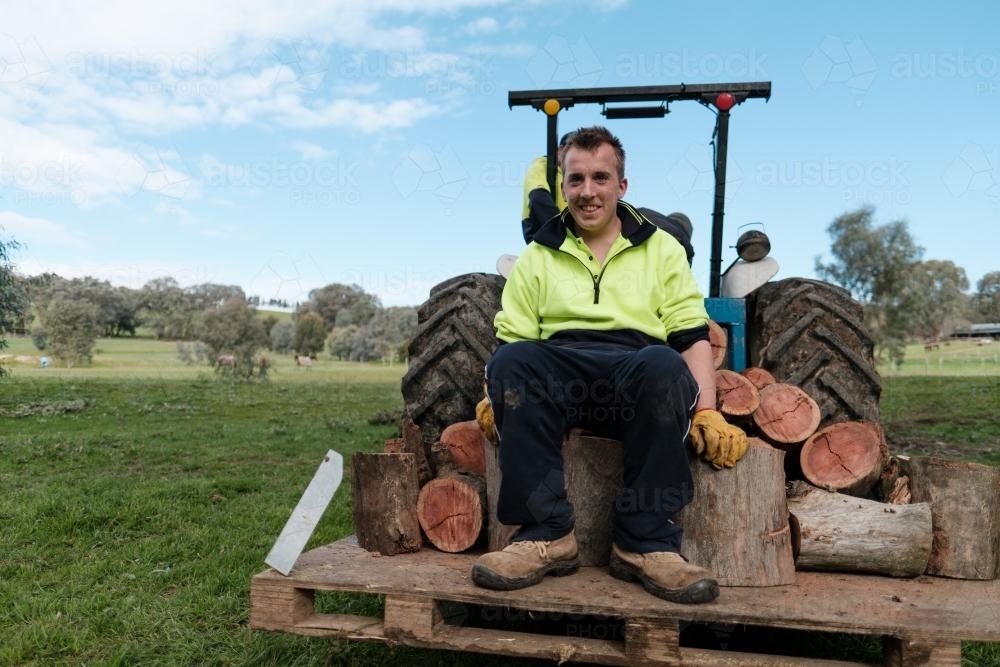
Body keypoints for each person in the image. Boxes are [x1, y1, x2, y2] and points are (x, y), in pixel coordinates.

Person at [472, 126, 748, 605]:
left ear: (621, 186)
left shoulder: (661, 248)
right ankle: (546, 534)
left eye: (600, 178)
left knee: (664, 364)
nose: (588, 191)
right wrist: (493, 393)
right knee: (515, 359)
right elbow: (512, 337)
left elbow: (689, 334)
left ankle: (645, 544)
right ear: (563, 187)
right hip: (560, 372)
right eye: (576, 180)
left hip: (632, 373)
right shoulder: (538, 254)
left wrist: (707, 410)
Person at [520, 132, 574, 244]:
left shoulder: (574, 175)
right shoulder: (543, 164)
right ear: (560, 150)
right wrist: (564, 233)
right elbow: (538, 198)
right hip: (543, 231)